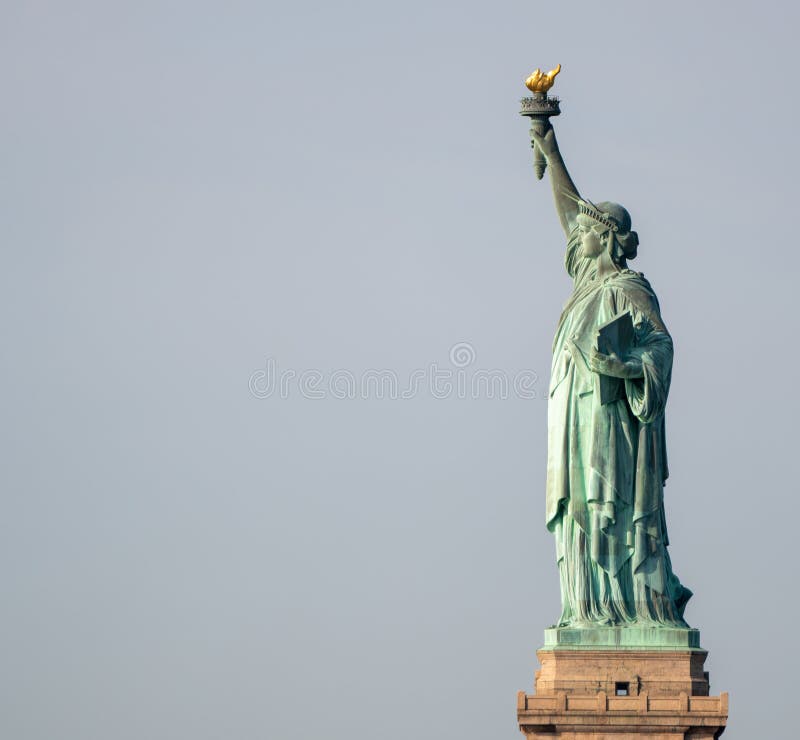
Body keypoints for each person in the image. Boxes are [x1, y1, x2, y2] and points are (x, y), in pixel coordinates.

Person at [530, 123, 692, 627]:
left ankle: (626, 604)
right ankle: (585, 608)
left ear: (603, 238)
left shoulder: (628, 289)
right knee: (580, 511)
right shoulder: (586, 283)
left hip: (611, 424)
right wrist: (548, 145)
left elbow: (661, 345)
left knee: (609, 511)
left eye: (584, 233)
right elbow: (568, 210)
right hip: (575, 425)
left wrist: (623, 367)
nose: (575, 237)